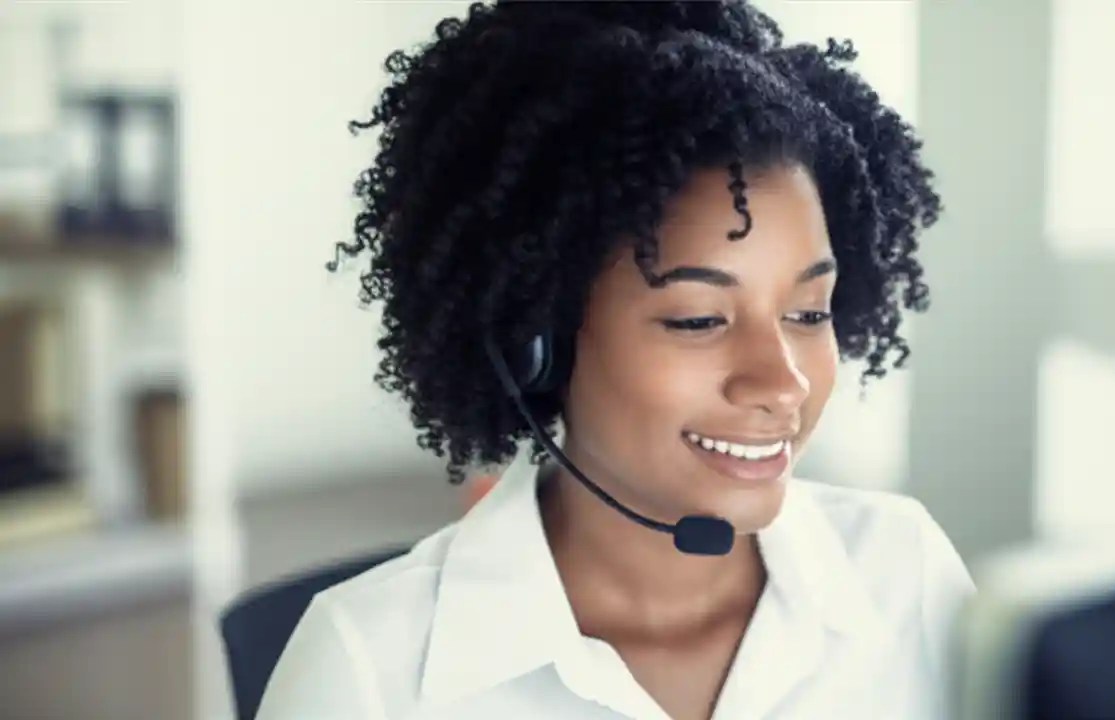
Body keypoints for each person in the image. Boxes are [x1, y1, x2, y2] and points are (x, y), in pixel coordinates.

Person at [256, 2, 975, 718]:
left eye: (808, 312)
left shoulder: (904, 575)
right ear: (536, 340)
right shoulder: (368, 669)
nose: (781, 380)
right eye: (699, 319)